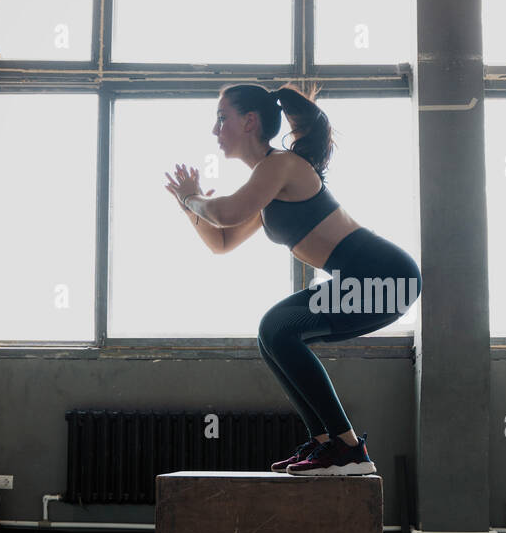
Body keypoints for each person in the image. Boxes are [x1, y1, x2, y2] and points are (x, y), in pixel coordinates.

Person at [163, 83, 421, 475]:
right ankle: (327, 446)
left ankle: (350, 451)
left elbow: (227, 212)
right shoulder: (266, 186)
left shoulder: (280, 166)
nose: (216, 130)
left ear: (250, 121)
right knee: (272, 335)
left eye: (222, 118)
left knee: (277, 327)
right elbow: (222, 239)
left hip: (387, 277)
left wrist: (191, 198)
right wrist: (189, 207)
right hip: (369, 282)